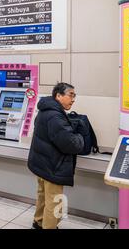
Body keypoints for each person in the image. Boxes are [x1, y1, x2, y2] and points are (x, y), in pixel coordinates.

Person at [27, 82, 86, 229]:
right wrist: (80, 137)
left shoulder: (45, 110)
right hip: (53, 166)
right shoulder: (55, 116)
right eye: (70, 95)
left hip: (41, 163)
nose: (73, 100)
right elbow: (71, 144)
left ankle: (39, 221)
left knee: (42, 195)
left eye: (74, 96)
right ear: (58, 96)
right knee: (54, 201)